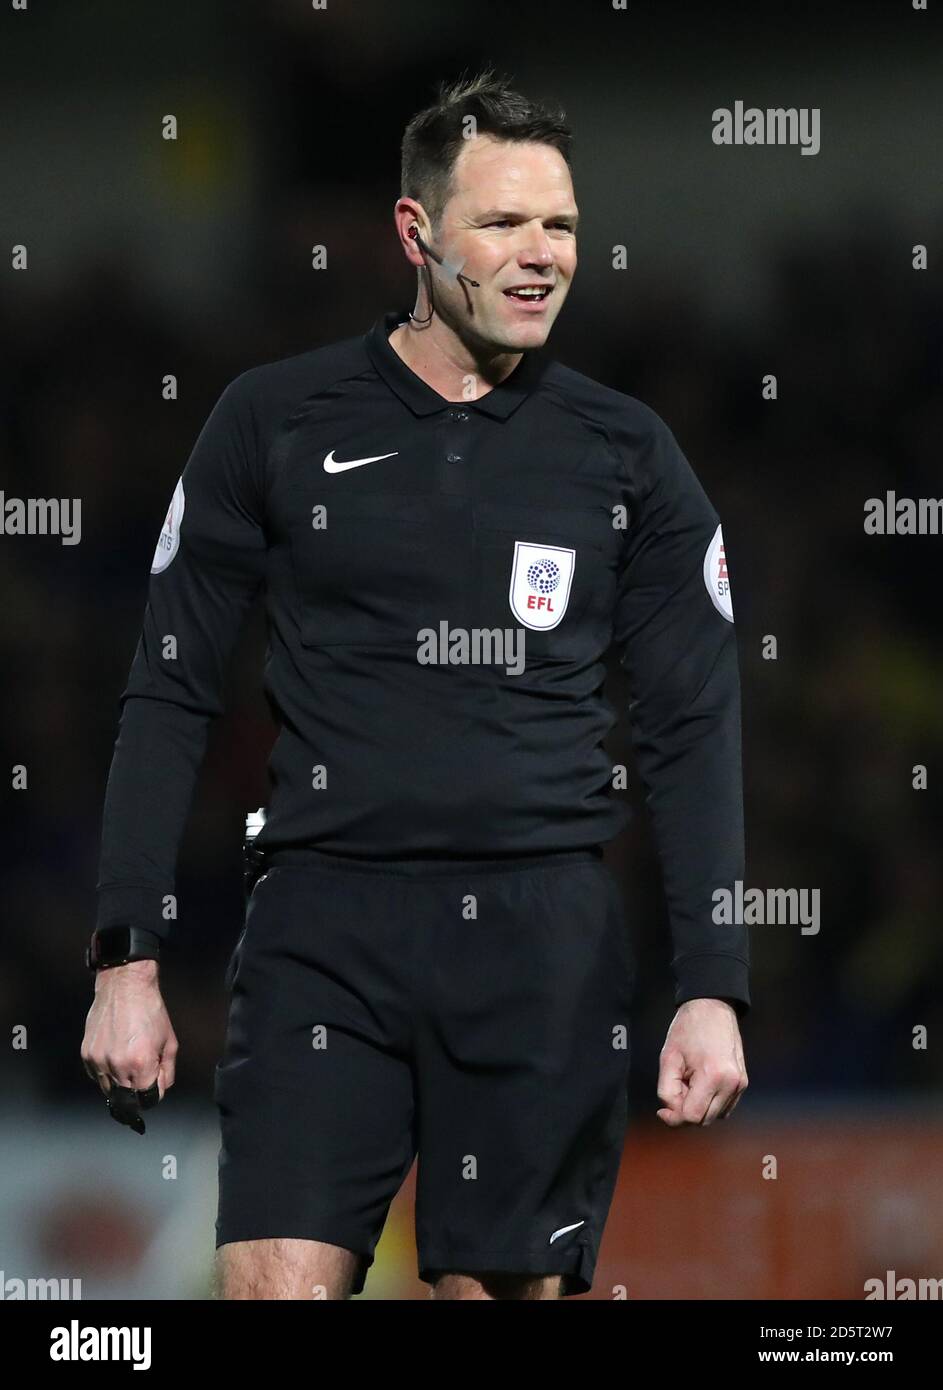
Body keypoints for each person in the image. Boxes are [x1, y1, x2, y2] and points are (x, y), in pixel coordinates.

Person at [82, 70, 749, 1301]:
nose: (540, 254)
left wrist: (712, 982)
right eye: (502, 223)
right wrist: (126, 957)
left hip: (541, 946)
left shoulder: (628, 455)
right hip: (322, 927)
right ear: (416, 231)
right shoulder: (271, 422)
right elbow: (168, 686)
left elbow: (693, 724)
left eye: (559, 225)